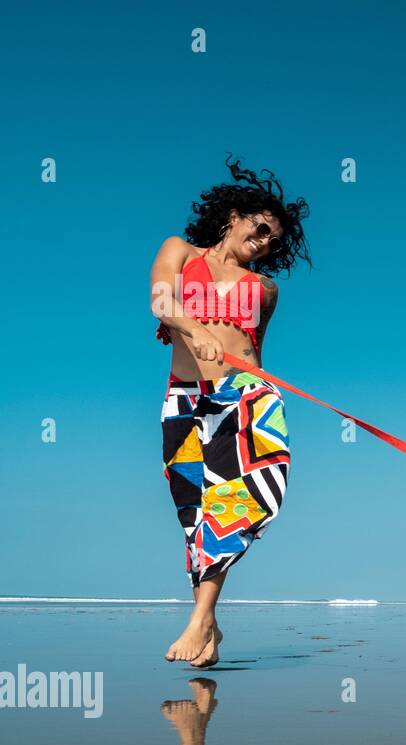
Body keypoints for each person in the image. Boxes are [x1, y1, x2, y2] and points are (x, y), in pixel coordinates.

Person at [151, 158, 310, 666]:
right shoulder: (180, 250)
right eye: (260, 229)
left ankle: (198, 622)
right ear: (234, 216)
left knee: (230, 508)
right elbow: (160, 301)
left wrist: (251, 386)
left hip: (244, 397)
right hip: (185, 396)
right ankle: (212, 626)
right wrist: (194, 330)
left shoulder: (265, 290)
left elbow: (252, 349)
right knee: (195, 516)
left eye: (273, 240)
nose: (264, 242)